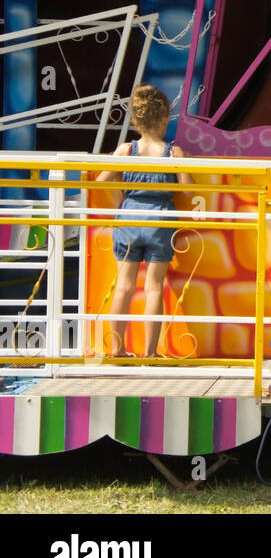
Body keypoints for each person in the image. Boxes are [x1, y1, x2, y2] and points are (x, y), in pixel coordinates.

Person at [96, 85, 192, 358]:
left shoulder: (126, 150)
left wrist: (120, 197)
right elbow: (188, 190)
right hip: (160, 221)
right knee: (153, 288)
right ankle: (150, 353)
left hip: (129, 220)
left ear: (136, 121)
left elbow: (100, 181)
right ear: (165, 118)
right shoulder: (173, 153)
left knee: (124, 286)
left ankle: (117, 349)